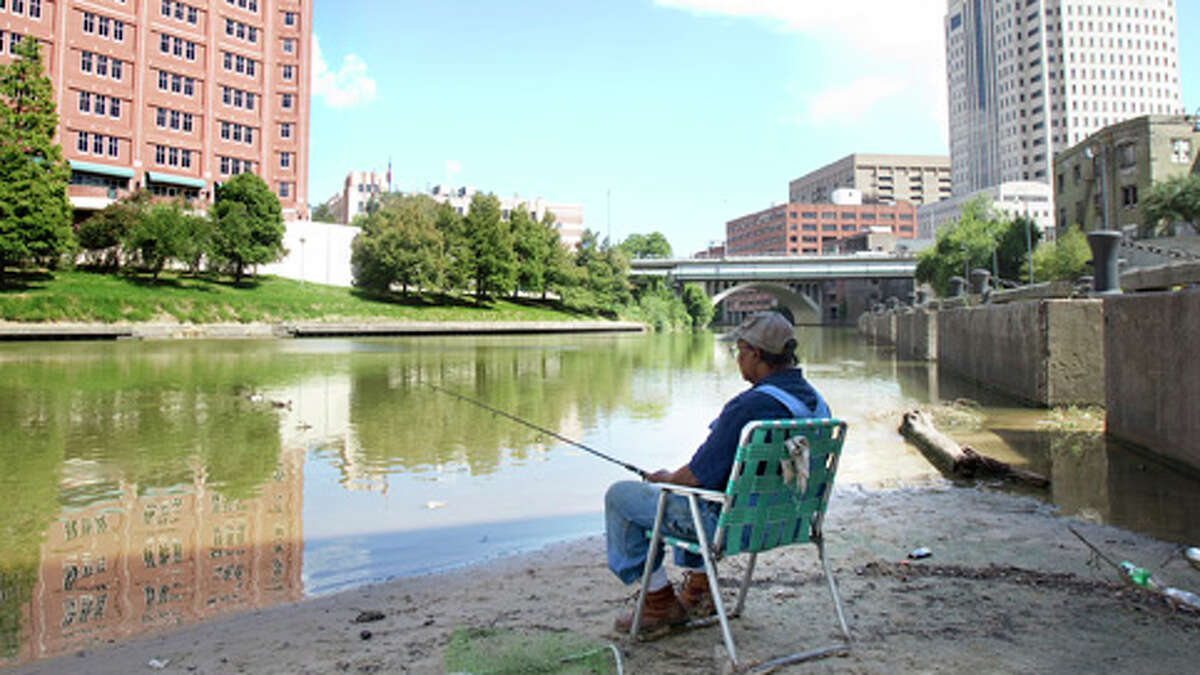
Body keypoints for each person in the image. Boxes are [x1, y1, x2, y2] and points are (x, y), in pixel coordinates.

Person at [604, 311, 831, 635]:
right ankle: (699, 591)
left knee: (622, 497)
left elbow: (696, 477)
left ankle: (659, 602)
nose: (737, 358)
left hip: (738, 529)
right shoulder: (817, 403)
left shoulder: (747, 407)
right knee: (701, 491)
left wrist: (665, 479)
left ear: (755, 354)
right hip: (793, 522)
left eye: (739, 350)